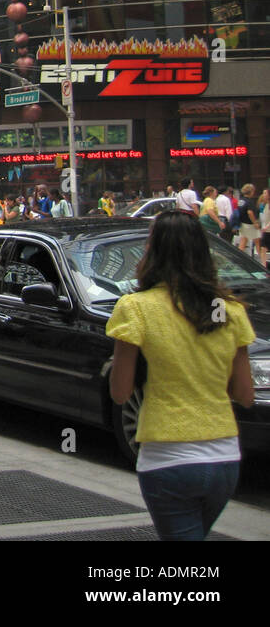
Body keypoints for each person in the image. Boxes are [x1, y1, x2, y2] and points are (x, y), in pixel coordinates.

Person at [107, 211, 255, 540]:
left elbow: (120, 392)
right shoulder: (231, 311)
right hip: (224, 458)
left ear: (152, 251)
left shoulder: (135, 308)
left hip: (166, 458)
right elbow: (245, 395)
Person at [236, 184, 260, 259]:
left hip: (242, 223)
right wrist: (255, 222)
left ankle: (238, 258)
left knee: (243, 242)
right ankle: (262, 259)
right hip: (250, 225)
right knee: (258, 242)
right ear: (251, 191)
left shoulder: (241, 201)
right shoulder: (249, 201)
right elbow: (250, 212)